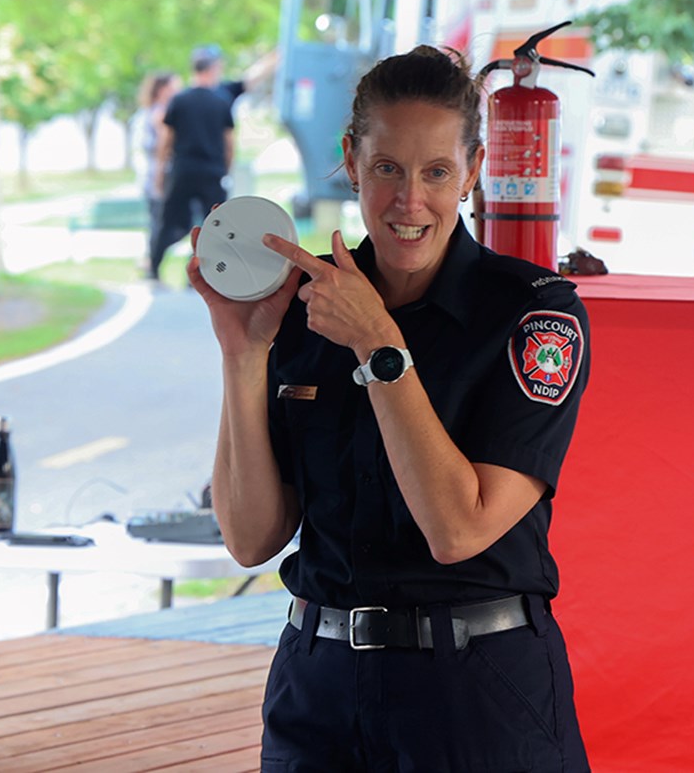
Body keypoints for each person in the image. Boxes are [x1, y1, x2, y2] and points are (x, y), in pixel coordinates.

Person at [188, 45, 592, 771]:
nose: (410, 202)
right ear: (351, 160)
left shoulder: (535, 318)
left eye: (436, 172)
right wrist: (243, 355)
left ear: (471, 171)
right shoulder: (307, 306)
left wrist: (379, 344)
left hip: (477, 697)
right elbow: (251, 540)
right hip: (317, 692)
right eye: (387, 170)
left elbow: (458, 529)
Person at [154, 45, 247, 262]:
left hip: (183, 170)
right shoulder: (221, 101)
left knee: (169, 220)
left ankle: (154, 266)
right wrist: (226, 169)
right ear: (213, 69)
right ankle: (199, 268)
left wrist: (160, 172)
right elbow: (229, 143)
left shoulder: (179, 100)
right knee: (215, 224)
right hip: (211, 172)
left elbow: (166, 140)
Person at [131, 71, 179, 280]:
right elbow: (162, 148)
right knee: (164, 222)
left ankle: (151, 260)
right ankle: (152, 261)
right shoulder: (160, 114)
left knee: (158, 222)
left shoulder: (148, 112)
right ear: (162, 90)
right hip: (159, 177)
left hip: (152, 177)